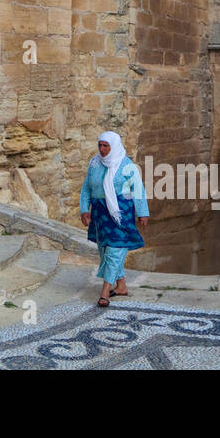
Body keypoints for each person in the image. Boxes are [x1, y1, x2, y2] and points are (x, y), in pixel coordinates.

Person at [80, 131, 149, 307]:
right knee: (104, 250)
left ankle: (105, 290)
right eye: (100, 145)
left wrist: (142, 212)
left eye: (106, 146)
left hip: (120, 213)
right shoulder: (94, 164)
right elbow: (87, 188)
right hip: (100, 214)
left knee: (114, 251)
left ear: (114, 146)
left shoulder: (127, 166)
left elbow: (138, 189)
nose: (102, 149)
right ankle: (121, 286)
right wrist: (84, 209)